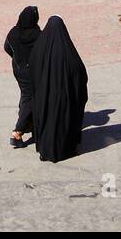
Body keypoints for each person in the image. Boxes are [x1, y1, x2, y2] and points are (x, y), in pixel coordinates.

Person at [29, 16, 89, 163]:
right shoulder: (69, 51)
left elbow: (32, 68)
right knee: (63, 120)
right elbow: (80, 72)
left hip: (45, 96)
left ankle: (45, 150)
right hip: (64, 98)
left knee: (47, 120)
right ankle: (64, 149)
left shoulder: (39, 48)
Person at [3, 6, 41, 148]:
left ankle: (31, 125)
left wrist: (17, 58)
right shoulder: (38, 34)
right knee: (29, 98)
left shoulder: (13, 32)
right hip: (32, 72)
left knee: (25, 95)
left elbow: (7, 48)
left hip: (18, 70)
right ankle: (17, 132)